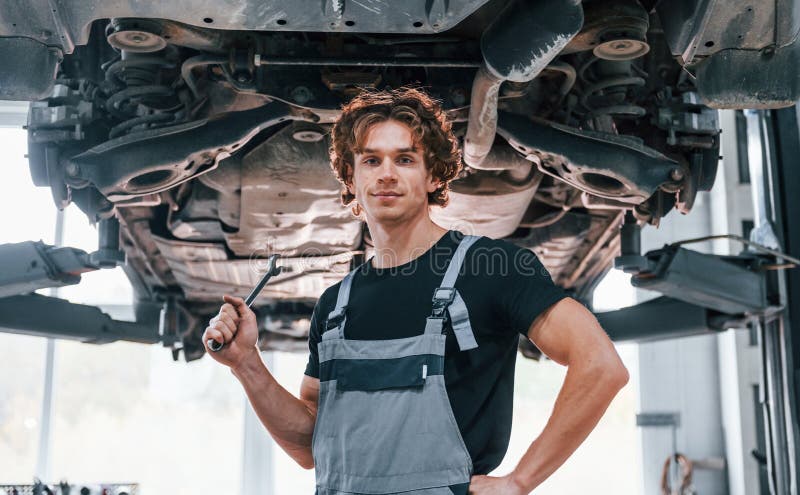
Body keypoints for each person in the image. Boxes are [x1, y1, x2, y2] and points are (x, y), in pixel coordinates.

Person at [203, 87, 629, 494]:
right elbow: (308, 446)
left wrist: (520, 481)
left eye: (404, 159)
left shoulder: (492, 269)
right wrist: (246, 364)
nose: (386, 174)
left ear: (432, 176)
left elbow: (600, 365)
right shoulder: (336, 305)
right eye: (371, 160)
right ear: (350, 179)